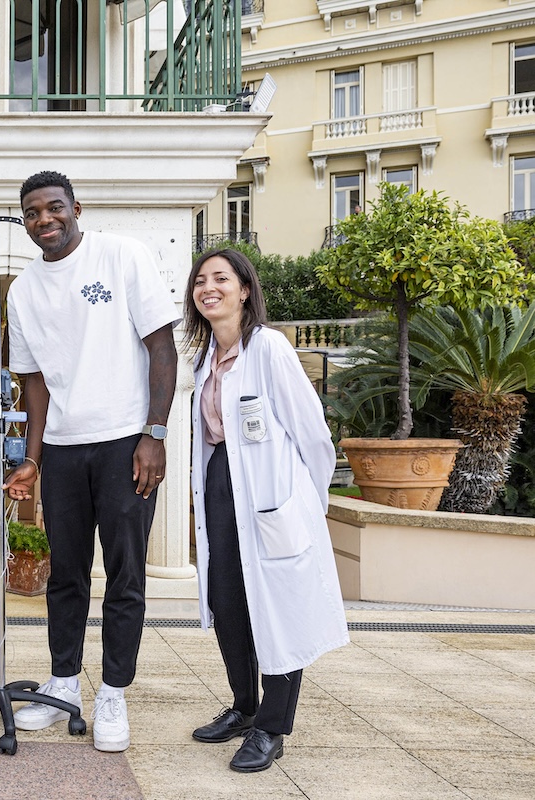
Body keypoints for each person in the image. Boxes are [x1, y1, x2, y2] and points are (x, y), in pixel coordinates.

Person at [2, 170, 181, 753]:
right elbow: (33, 386)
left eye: (54, 208)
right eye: (32, 213)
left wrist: (153, 433)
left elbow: (161, 346)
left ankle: (113, 692)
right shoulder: (22, 290)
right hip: (61, 448)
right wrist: (31, 459)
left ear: (76, 207)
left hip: (126, 440)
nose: (44, 220)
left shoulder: (122, 255)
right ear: (24, 219)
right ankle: (63, 686)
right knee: (66, 574)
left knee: (126, 574)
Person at [184, 248, 349, 772]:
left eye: (221, 279)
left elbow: (314, 435)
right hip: (221, 485)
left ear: (245, 290)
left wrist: (305, 501)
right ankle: (243, 707)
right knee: (228, 601)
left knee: (278, 606)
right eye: (201, 281)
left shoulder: (270, 348)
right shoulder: (203, 358)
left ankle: (272, 728)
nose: (209, 288)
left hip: (272, 494)